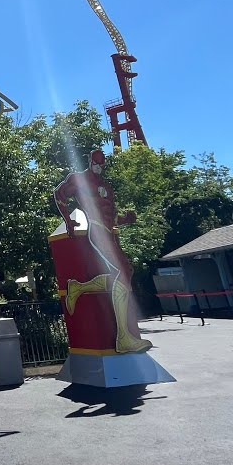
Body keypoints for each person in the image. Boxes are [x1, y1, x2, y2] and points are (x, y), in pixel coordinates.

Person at [53, 150, 151, 353]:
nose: (98, 167)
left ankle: (78, 288)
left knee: (122, 273)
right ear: (90, 161)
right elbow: (59, 194)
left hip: (109, 231)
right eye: (96, 163)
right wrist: (68, 220)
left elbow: (112, 217)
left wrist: (126, 220)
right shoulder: (79, 179)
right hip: (97, 229)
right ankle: (123, 338)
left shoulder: (106, 186)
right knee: (123, 271)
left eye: (101, 164)